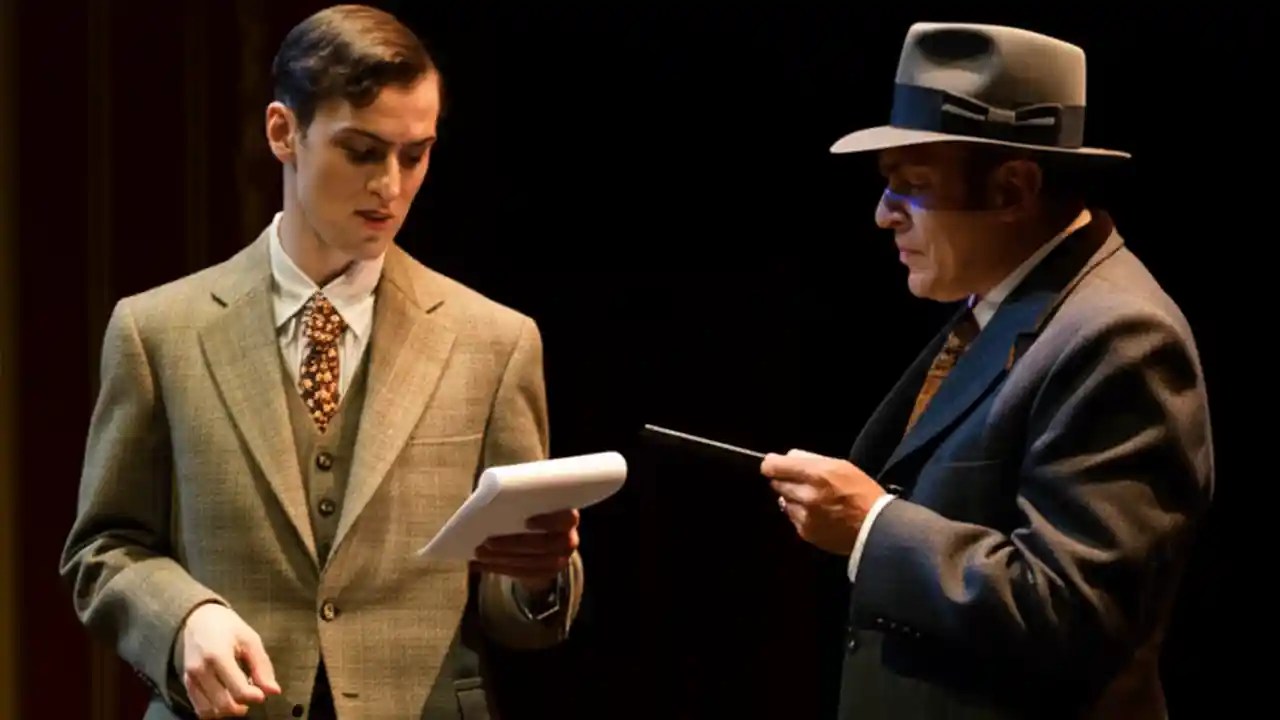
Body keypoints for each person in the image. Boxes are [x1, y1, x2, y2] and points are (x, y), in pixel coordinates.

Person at [59, 5, 583, 719]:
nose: (391, 187)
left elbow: (515, 607)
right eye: (362, 152)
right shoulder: (160, 331)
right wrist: (182, 619)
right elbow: (103, 549)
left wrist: (538, 579)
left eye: (415, 154)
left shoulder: (493, 340)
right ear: (283, 133)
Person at [760, 22, 1213, 719]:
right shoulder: (1005, 304)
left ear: (1012, 189)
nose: (884, 214)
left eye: (911, 186)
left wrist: (873, 527)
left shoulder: (1120, 336)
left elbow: (1072, 609)